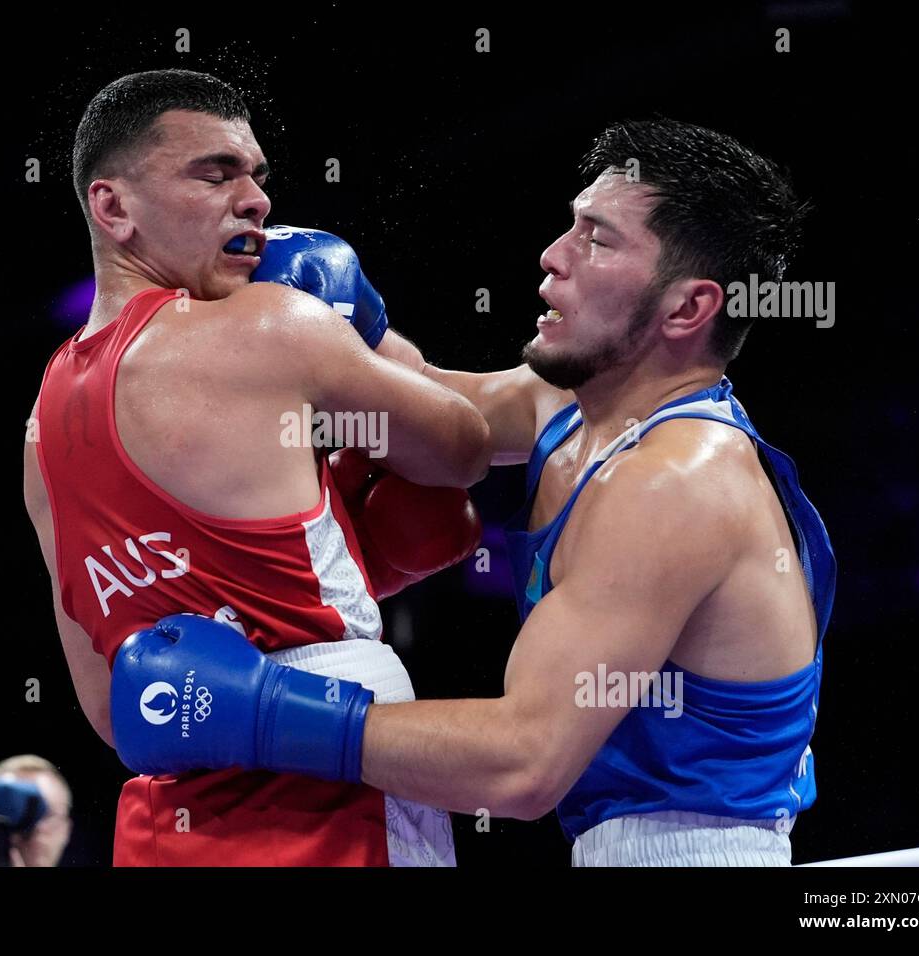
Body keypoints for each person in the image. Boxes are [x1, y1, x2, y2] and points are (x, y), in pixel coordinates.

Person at [112, 117, 837, 867]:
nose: (553, 257)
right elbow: (431, 408)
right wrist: (350, 322)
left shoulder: (676, 481)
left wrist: (263, 712)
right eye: (572, 226)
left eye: (598, 239)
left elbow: (524, 763)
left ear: (687, 309)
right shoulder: (570, 409)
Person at [23, 69, 490, 866]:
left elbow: (114, 712)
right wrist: (367, 331)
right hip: (339, 791)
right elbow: (463, 447)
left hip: (167, 825)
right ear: (113, 207)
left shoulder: (38, 435)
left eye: (257, 175)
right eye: (215, 172)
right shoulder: (271, 324)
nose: (256, 200)